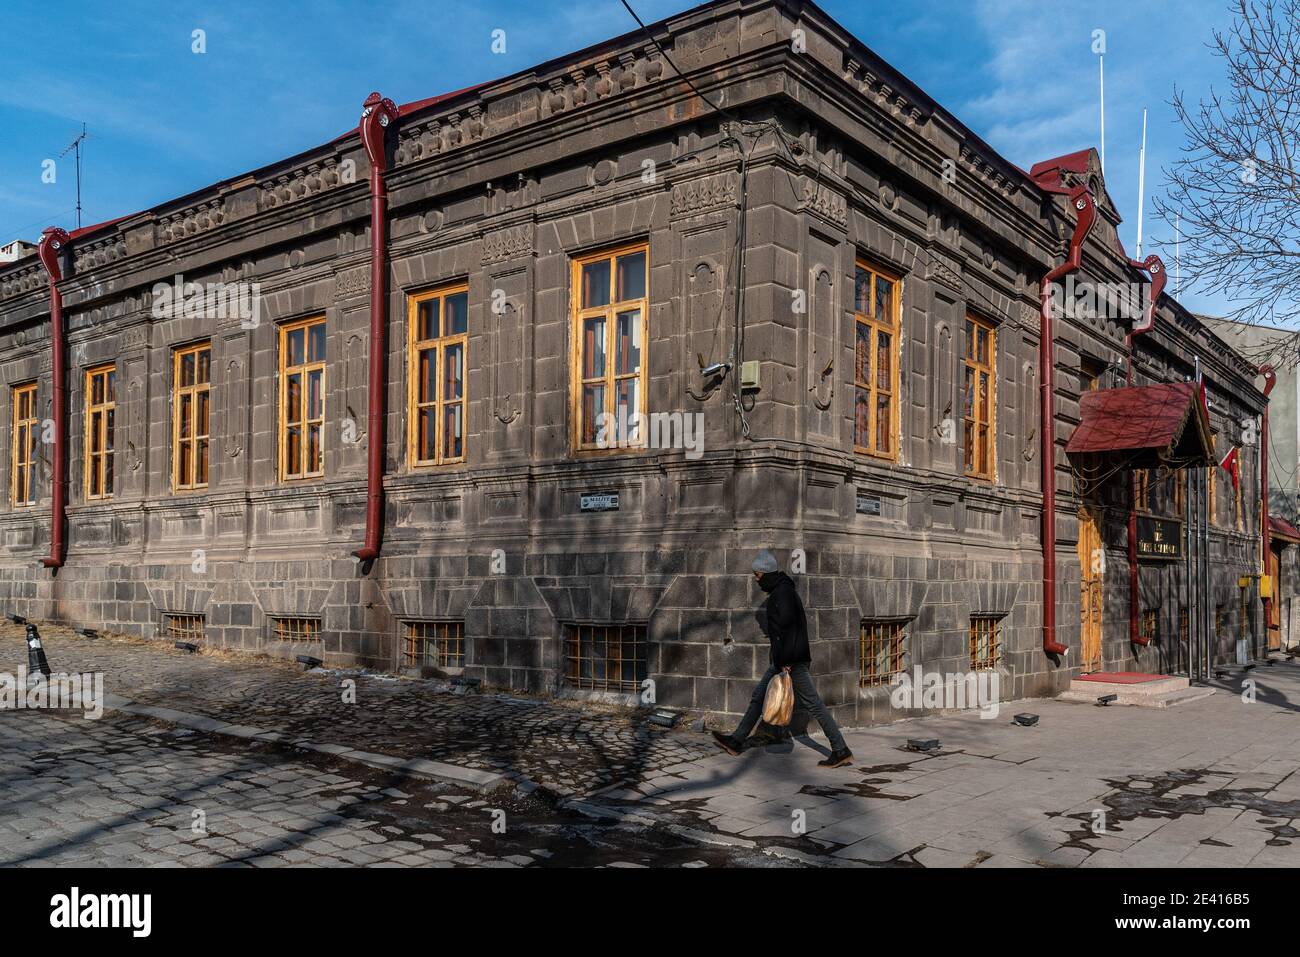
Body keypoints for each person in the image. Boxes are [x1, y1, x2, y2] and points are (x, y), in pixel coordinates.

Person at [712, 550, 853, 768]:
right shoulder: (781, 591)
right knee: (759, 697)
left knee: (814, 705)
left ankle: (841, 749)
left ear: (766, 573)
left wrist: (786, 662)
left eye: (757, 575)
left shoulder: (783, 593)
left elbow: (788, 629)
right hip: (783, 660)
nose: (756, 579)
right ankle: (737, 740)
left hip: (791, 661)